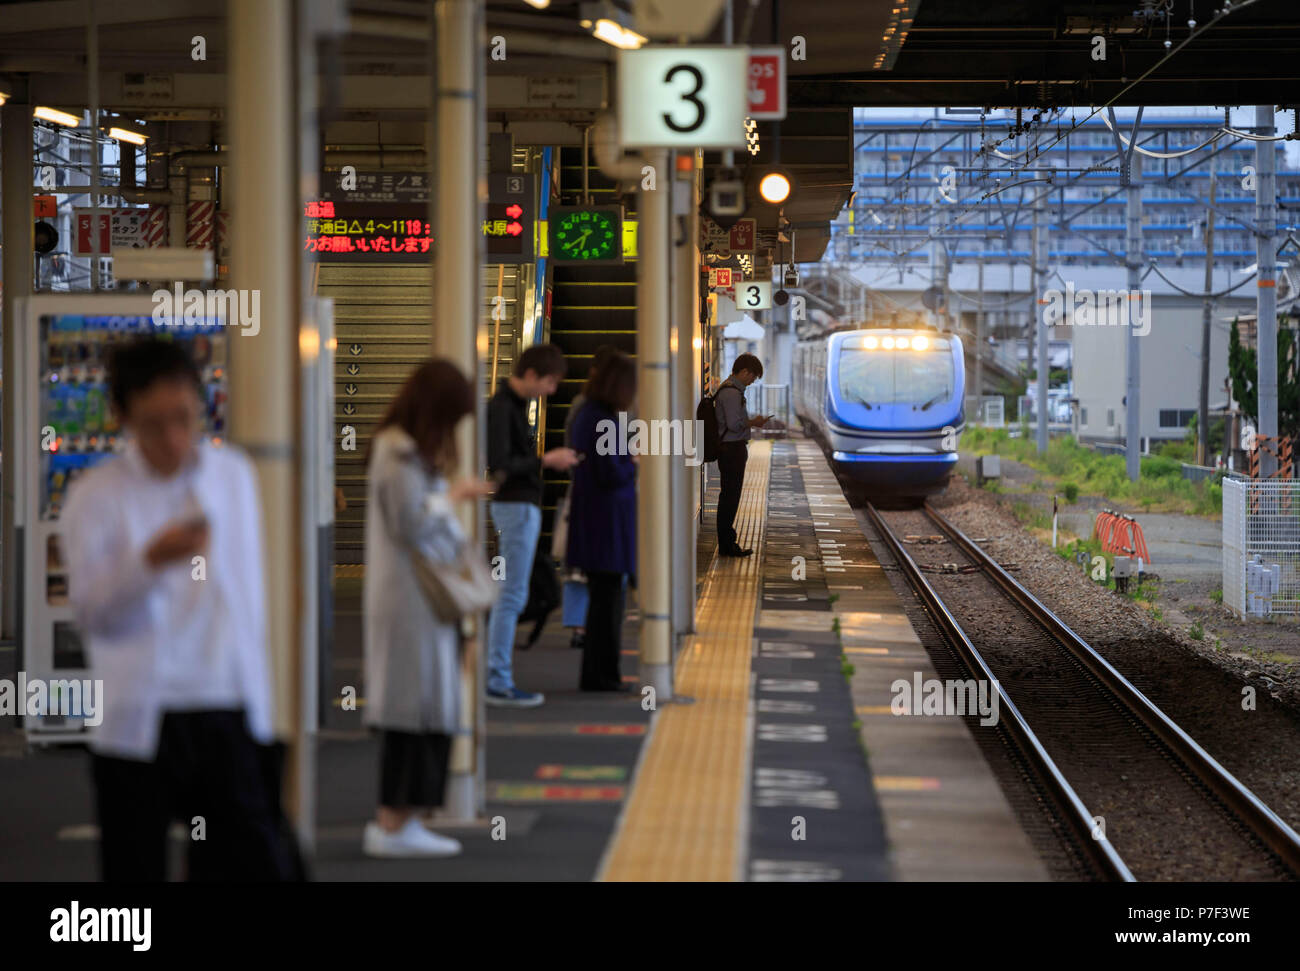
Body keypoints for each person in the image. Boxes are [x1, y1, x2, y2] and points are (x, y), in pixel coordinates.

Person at [64, 337, 296, 882]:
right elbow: (92, 613)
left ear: (201, 403)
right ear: (121, 416)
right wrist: (148, 562)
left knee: (246, 861)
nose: (171, 438)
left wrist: (262, 709)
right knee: (133, 874)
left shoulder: (232, 475)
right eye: (152, 424)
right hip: (139, 712)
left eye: (182, 418)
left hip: (225, 703)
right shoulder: (96, 496)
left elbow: (246, 599)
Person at [362, 359, 493, 858]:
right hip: (407, 601)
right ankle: (394, 823)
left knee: (429, 710)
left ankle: (406, 819)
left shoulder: (406, 450)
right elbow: (410, 523)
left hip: (422, 602)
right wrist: (452, 497)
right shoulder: (395, 452)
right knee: (409, 713)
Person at [486, 343, 579, 706]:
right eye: (550, 382)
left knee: (513, 594)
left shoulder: (512, 406)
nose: (552, 391)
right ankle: (498, 679)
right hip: (515, 507)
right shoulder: (502, 409)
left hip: (519, 507)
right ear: (530, 375)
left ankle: (498, 674)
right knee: (511, 595)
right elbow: (500, 463)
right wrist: (546, 459)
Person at [566, 351, 637, 692]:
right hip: (604, 521)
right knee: (606, 605)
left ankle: (602, 674)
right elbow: (609, 471)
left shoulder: (590, 413)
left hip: (599, 520)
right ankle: (601, 676)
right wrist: (634, 464)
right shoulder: (599, 418)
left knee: (604, 602)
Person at [560, 344, 620, 651]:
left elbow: (572, 447)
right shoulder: (614, 408)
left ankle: (580, 627)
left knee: (580, 565)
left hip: (581, 490)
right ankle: (593, 627)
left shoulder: (579, 405)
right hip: (605, 496)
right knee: (604, 564)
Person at [714, 352, 770, 557]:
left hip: (732, 449)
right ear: (744, 372)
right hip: (731, 450)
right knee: (730, 496)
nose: (752, 381)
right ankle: (727, 545)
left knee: (730, 495)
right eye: (753, 377)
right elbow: (733, 424)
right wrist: (754, 422)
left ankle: (728, 542)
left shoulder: (731, 390)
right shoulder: (731, 393)